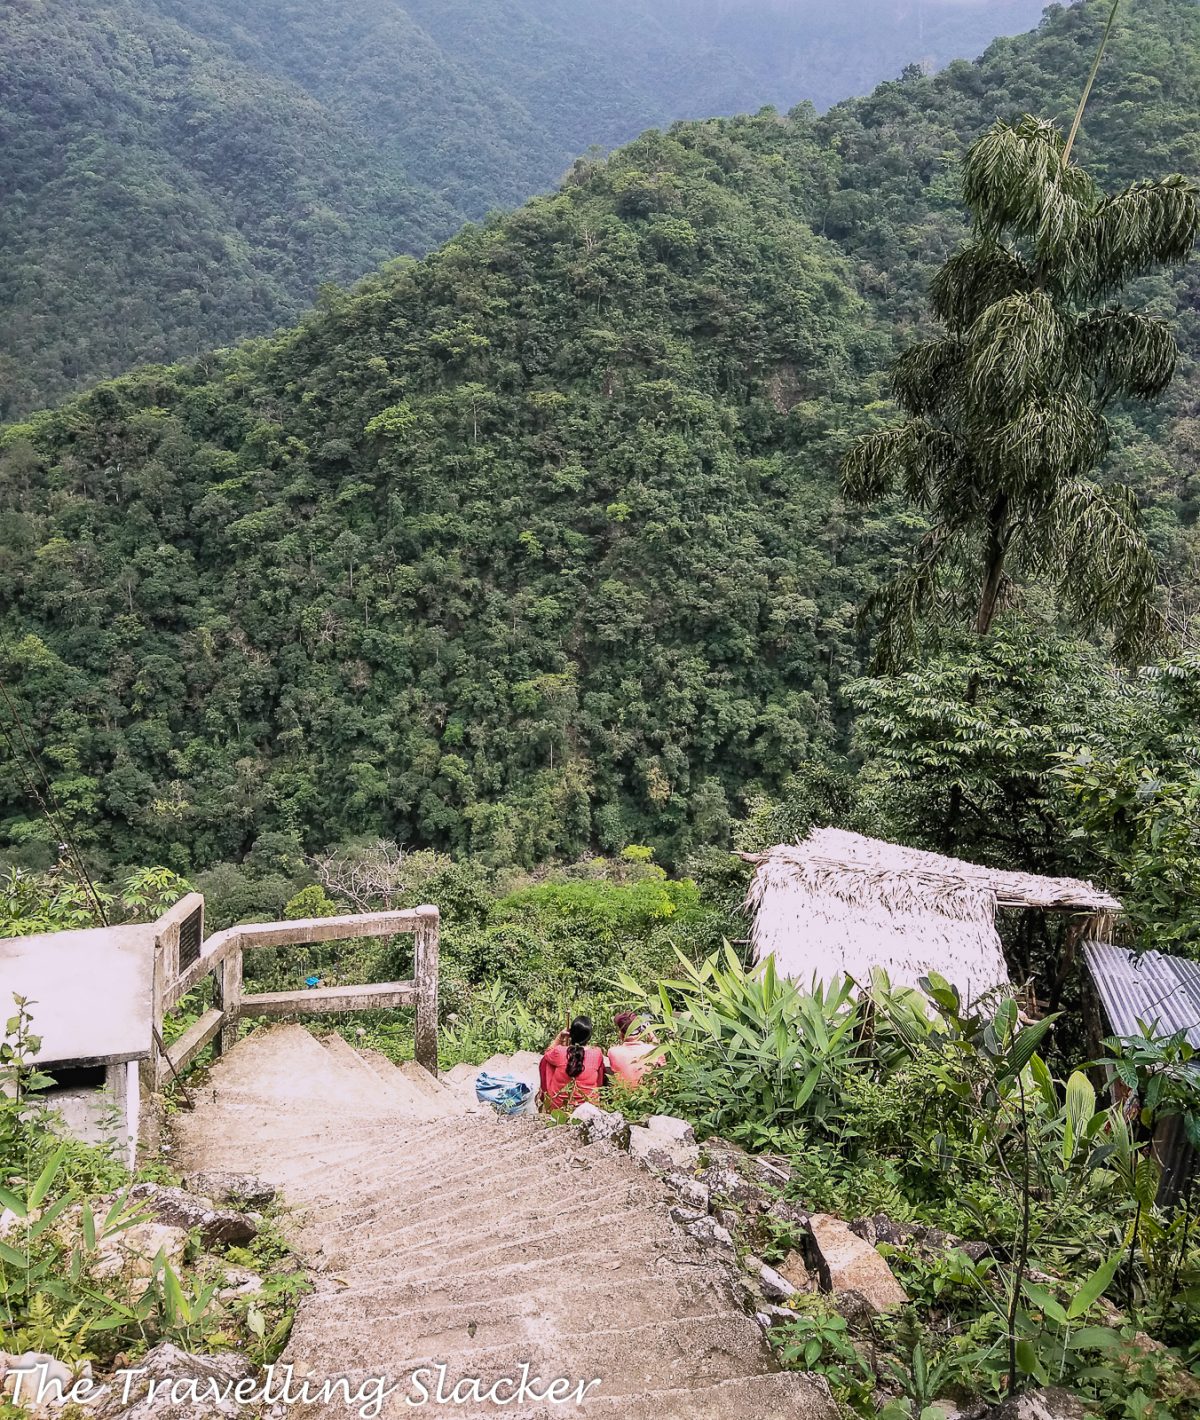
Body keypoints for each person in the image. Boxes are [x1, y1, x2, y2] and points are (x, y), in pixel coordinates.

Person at [539, 1015, 605, 1110]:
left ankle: (547, 1097)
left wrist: (559, 1038)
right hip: (588, 1108)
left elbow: (547, 1054)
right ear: (589, 1036)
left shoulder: (559, 1051)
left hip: (558, 1106)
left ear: (571, 1034)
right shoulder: (597, 1053)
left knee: (547, 1061)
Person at [607, 1011, 664, 1089]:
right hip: (650, 1097)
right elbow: (663, 1064)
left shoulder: (612, 1052)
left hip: (622, 1098)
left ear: (621, 1033)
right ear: (641, 1030)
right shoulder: (653, 1050)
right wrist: (651, 1033)